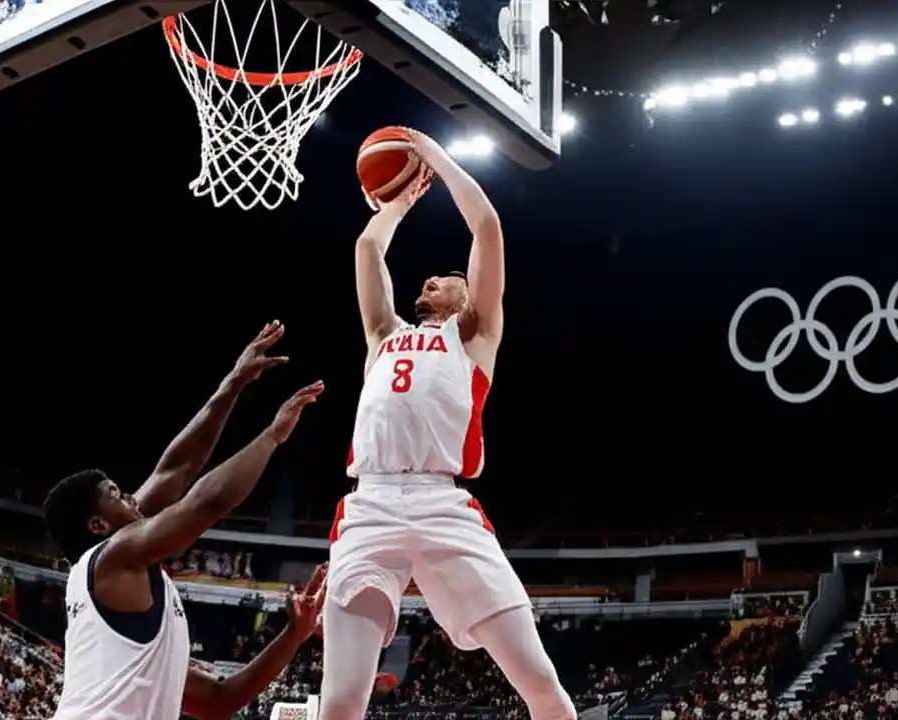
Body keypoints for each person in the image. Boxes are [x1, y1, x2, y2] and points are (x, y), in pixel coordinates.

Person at [322, 129, 575, 720]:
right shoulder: (384, 335)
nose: (429, 280)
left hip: (443, 502)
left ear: (466, 296)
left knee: (540, 681)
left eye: (445, 277)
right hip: (370, 504)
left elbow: (486, 226)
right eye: (427, 279)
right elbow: (367, 249)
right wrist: (399, 202)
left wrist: (431, 154)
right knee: (340, 700)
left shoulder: (475, 336)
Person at [44, 320, 326, 720]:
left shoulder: (117, 575)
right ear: (98, 526)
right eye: (117, 495)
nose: (133, 497)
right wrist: (271, 436)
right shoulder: (112, 557)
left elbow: (218, 700)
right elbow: (203, 503)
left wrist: (293, 636)